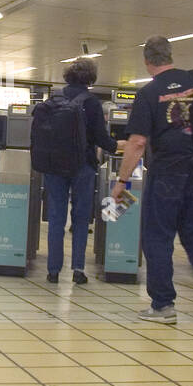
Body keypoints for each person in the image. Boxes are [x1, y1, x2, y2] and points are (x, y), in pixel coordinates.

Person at [110, 36, 193, 325]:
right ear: (170, 55)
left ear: (147, 61)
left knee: (157, 236)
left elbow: (136, 142)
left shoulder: (149, 93)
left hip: (167, 173)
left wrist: (121, 181)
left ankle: (163, 305)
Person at [41, 58, 116, 286]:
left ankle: (53, 271)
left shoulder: (53, 99)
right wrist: (119, 144)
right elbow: (101, 139)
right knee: (81, 218)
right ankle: (78, 270)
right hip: (82, 166)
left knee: (56, 217)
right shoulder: (92, 103)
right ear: (91, 78)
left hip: (54, 166)